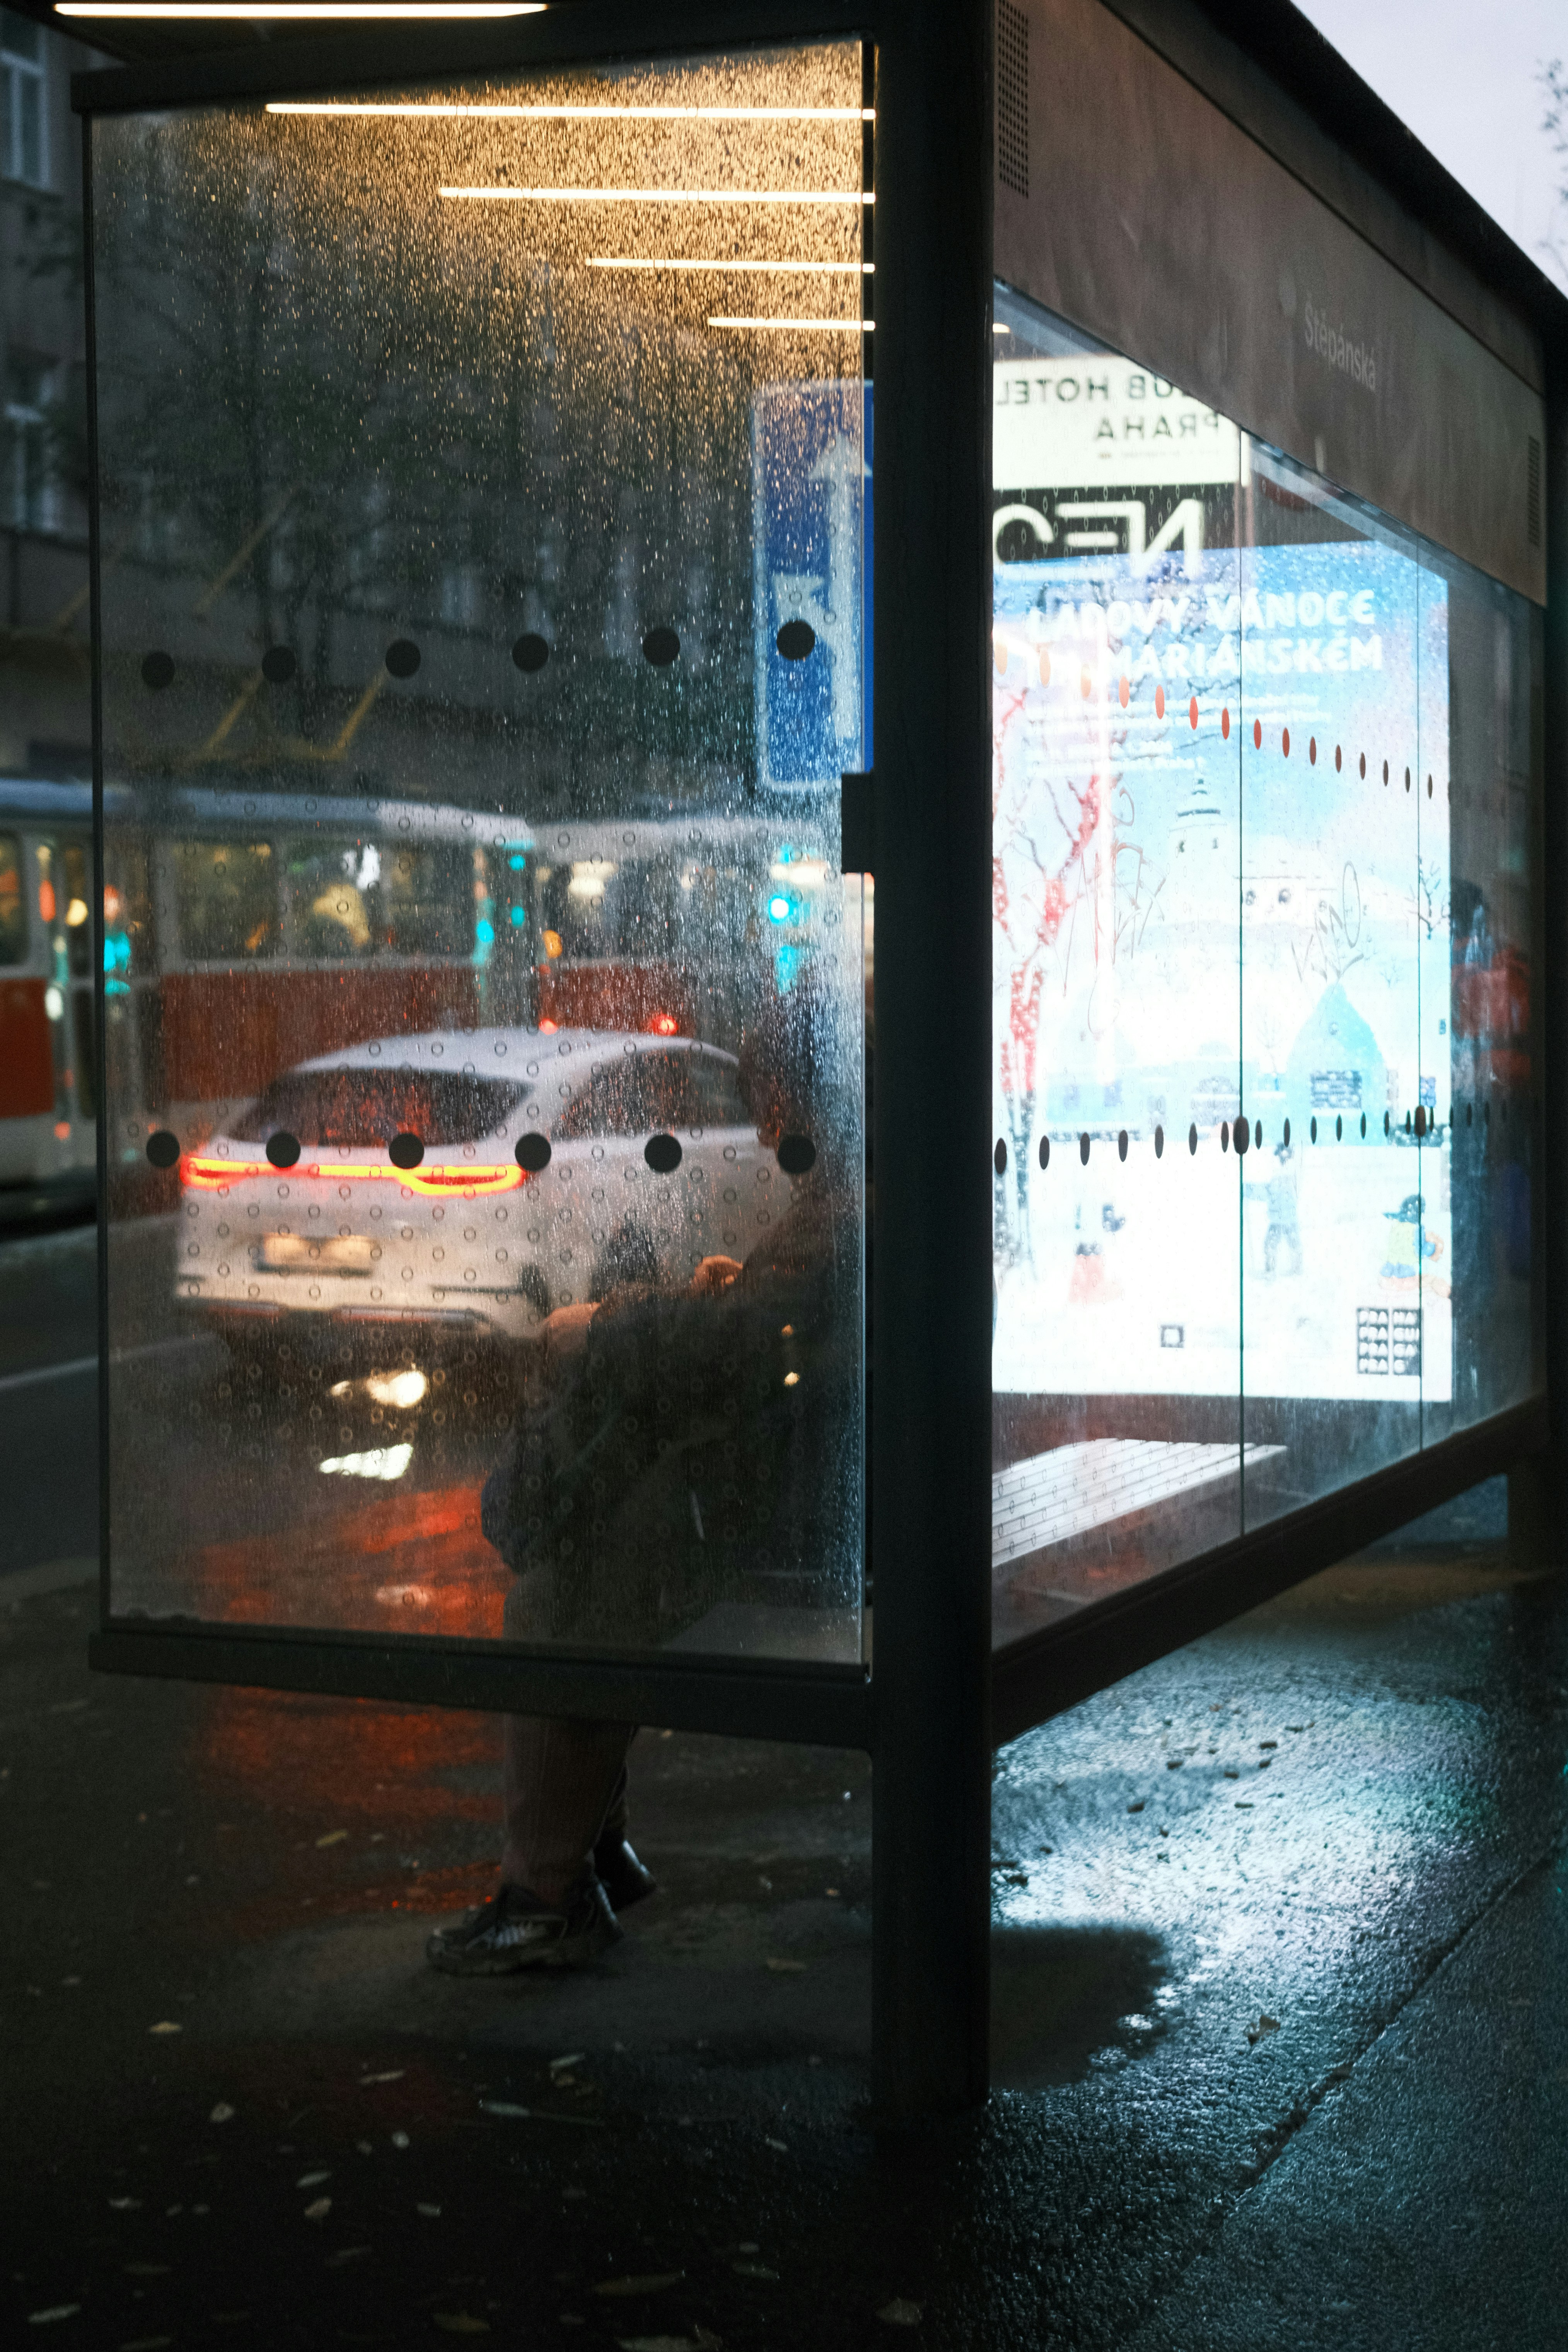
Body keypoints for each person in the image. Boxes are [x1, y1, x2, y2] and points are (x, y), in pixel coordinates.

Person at [426, 986, 860, 1975]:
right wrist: (736, 1295)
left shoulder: (855, 1191)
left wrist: (605, 1326)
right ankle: (590, 1847)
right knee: (594, 1553)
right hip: (816, 1476)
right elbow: (786, 1328)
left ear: (809, 1091)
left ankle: (546, 1895)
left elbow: (754, 1346)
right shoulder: (868, 1176)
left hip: (804, 1511)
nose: (760, 1125)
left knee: (556, 1604)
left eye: (770, 1097)